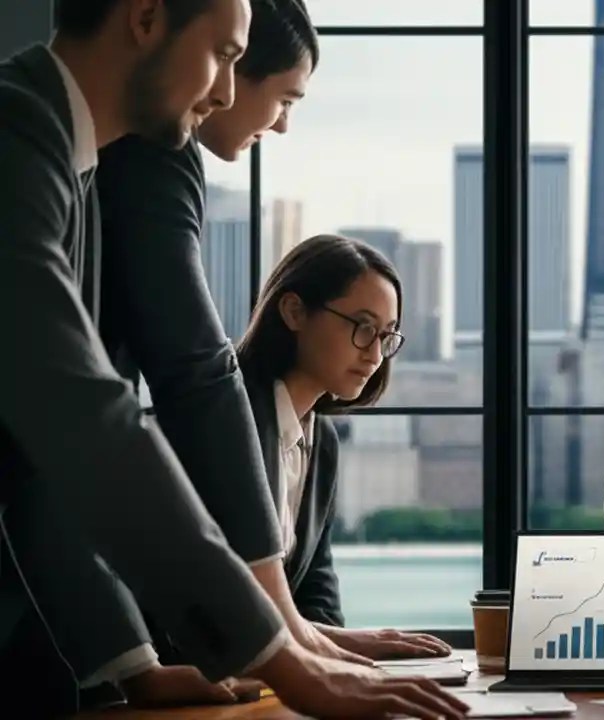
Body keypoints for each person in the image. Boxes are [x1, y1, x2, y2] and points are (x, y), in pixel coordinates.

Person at [0, 1, 467, 717]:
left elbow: (48, 452)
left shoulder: (72, 162)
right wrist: (286, 654)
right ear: (145, 17)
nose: (225, 91)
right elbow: (103, 413)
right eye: (224, 54)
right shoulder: (19, 138)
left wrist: (136, 668)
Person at [236, 233, 454, 661]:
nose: (375, 355)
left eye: (386, 336)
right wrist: (355, 645)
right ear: (295, 311)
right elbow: (226, 590)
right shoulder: (229, 418)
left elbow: (317, 590)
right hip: (198, 672)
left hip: (281, 674)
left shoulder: (323, 442)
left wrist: (349, 657)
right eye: (363, 327)